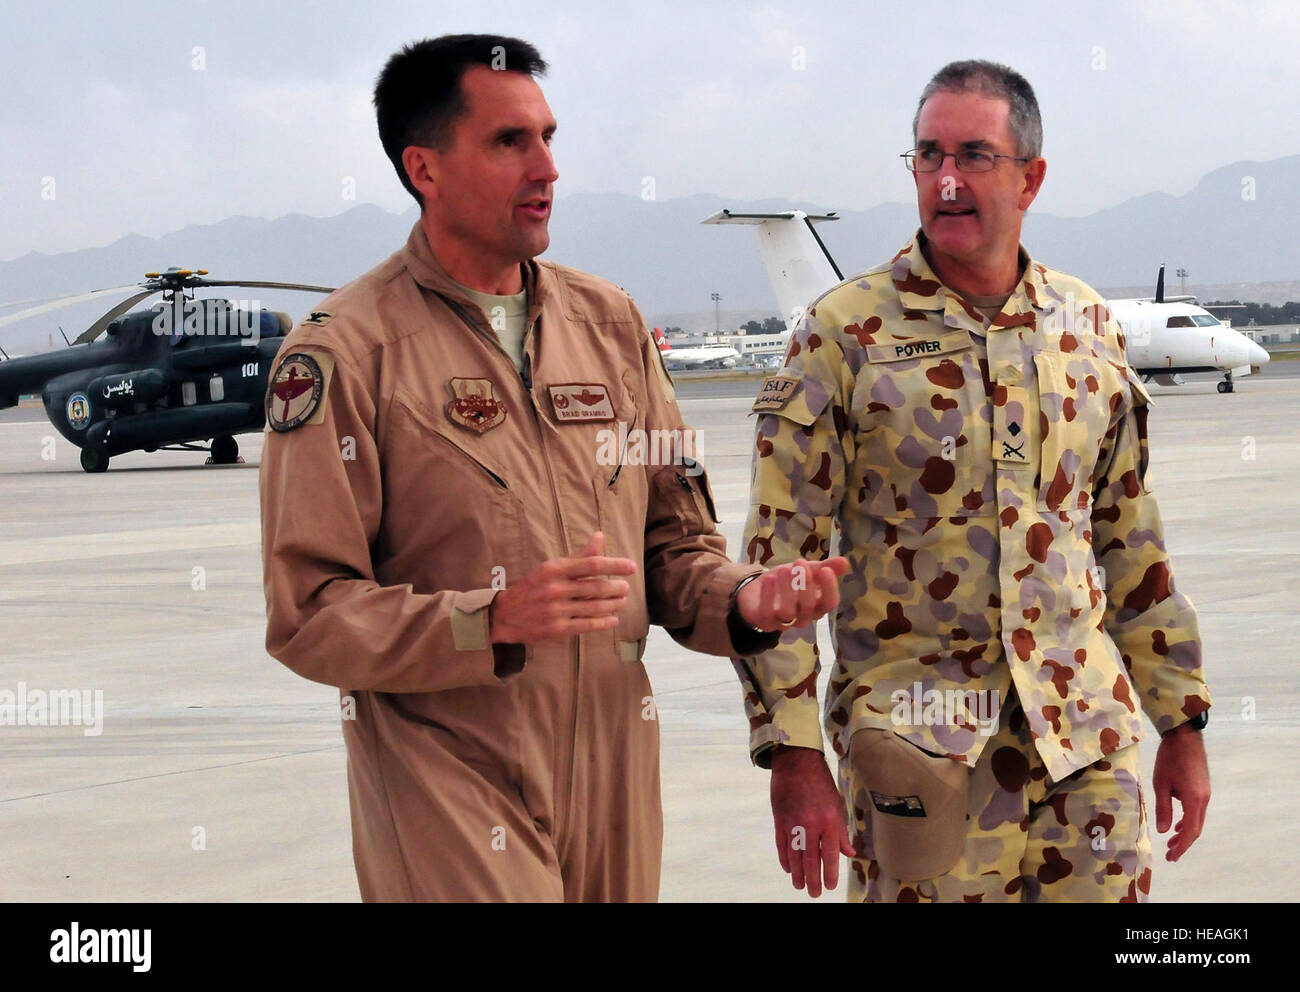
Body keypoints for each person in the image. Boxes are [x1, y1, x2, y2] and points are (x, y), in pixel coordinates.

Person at [258, 34, 846, 902]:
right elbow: (308, 612)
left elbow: (675, 548)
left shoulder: (610, 327)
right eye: (509, 142)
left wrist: (745, 602)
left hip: (613, 761)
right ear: (425, 168)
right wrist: (487, 619)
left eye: (548, 137)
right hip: (446, 770)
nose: (547, 168)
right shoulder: (348, 353)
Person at [732, 59, 1211, 902]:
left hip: (1085, 750)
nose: (946, 180)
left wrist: (1184, 721)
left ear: (1030, 177)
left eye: (973, 156)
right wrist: (794, 754)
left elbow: (1131, 542)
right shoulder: (841, 336)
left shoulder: (1086, 326)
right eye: (928, 156)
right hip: (920, 759)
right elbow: (780, 565)